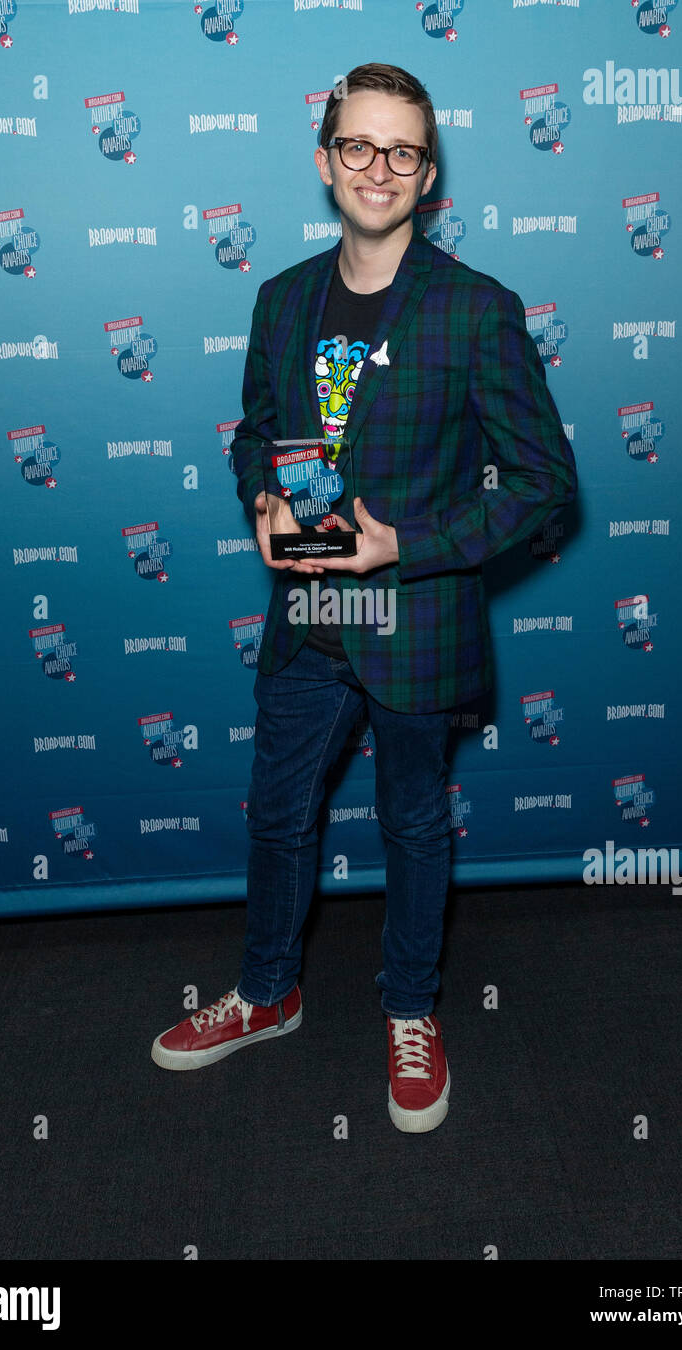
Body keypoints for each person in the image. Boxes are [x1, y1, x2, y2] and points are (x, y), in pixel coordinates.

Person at [152, 63, 577, 1134]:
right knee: (278, 818)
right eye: (356, 146)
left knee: (414, 824)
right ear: (324, 158)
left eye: (401, 152)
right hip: (308, 619)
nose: (376, 169)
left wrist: (410, 543)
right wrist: (257, 494)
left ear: (426, 175)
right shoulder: (280, 298)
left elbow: (542, 486)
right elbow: (255, 429)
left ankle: (407, 1012)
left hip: (414, 621)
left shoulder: (477, 311)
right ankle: (266, 992)